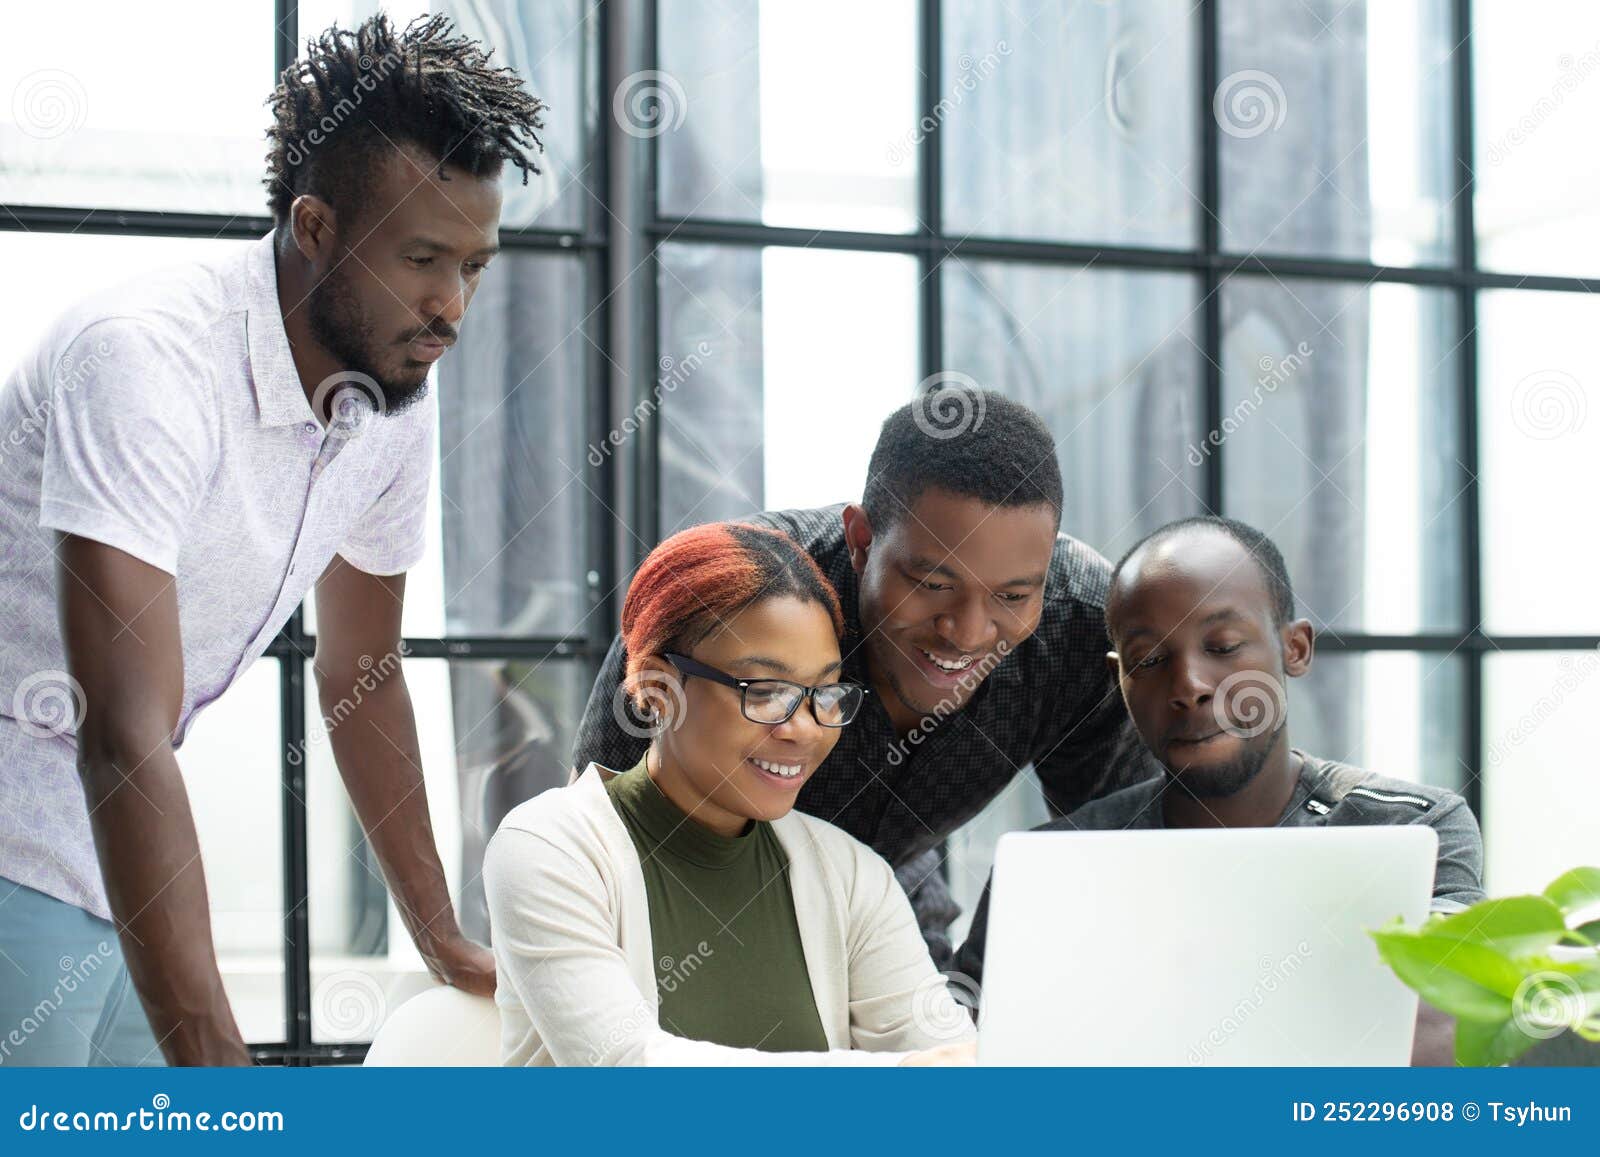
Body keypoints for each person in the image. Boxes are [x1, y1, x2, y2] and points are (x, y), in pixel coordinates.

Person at [0, 14, 546, 1066]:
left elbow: (362, 672)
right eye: (422, 259)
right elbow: (121, 732)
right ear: (314, 226)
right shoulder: (144, 363)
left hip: (119, 858)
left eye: (475, 265)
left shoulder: (392, 384)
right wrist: (219, 1064)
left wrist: (437, 930)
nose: (451, 306)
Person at [571, 390, 1155, 964]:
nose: (967, 633)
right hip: (691, 921)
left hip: (894, 915)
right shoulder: (726, 597)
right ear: (861, 540)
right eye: (933, 585)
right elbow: (593, 832)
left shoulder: (1084, 628)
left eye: (1013, 596)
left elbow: (1119, 861)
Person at [952, 516, 1485, 1064]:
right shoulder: (1052, 864)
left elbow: (1447, 1023)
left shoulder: (1412, 826)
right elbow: (957, 1046)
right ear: (1120, 681)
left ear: (1295, 648)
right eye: (1149, 660)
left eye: (1224, 646)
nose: (1189, 686)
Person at [484, 522, 976, 1065]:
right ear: (657, 688)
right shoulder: (550, 847)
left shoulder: (851, 874)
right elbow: (626, 1066)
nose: (805, 729)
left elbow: (949, 1059)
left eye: (824, 693)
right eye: (765, 692)